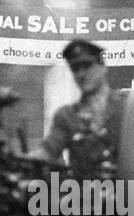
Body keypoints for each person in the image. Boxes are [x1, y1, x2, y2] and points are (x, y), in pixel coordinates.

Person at [38, 40, 128, 176]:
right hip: (81, 195)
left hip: (127, 194)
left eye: (87, 66)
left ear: (102, 67)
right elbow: (47, 152)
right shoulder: (67, 116)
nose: (81, 74)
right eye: (75, 69)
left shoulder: (127, 108)